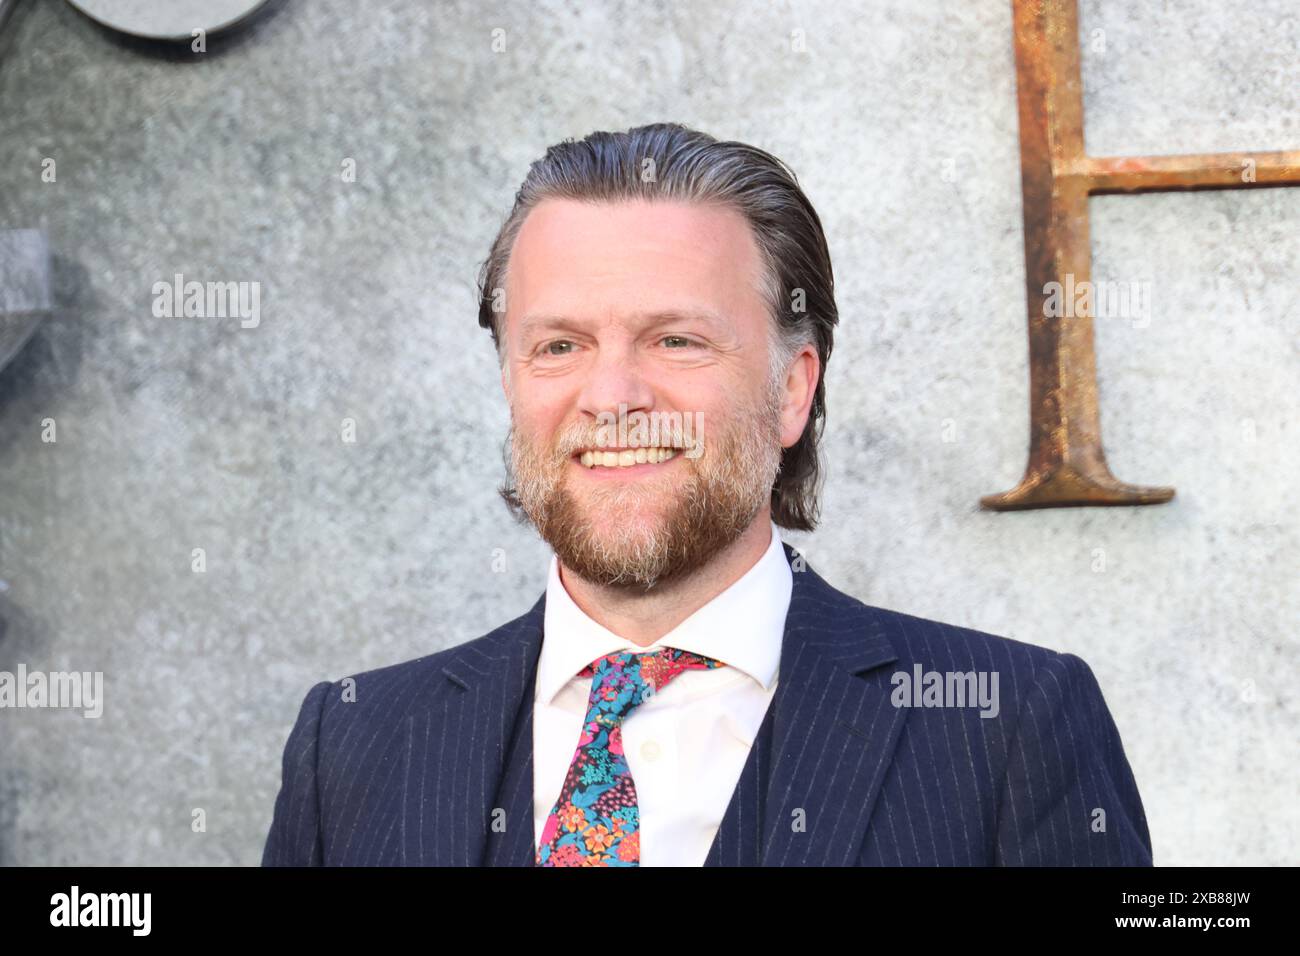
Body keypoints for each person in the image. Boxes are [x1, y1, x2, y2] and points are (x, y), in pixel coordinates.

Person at [262, 122, 1152, 866]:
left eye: (677, 341)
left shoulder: (1008, 727)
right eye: (559, 346)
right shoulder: (350, 747)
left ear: (792, 389)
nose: (613, 398)